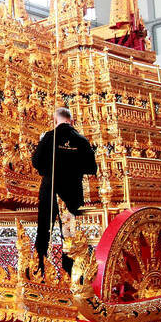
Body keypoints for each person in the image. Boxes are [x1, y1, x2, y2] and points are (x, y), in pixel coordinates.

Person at [31, 107, 97, 274]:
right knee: (69, 233)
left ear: (55, 121)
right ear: (71, 121)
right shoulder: (81, 140)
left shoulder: (48, 137)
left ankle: (40, 270)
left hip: (49, 190)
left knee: (44, 230)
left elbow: (36, 162)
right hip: (71, 192)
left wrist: (48, 170)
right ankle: (69, 273)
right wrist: (74, 168)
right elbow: (91, 167)